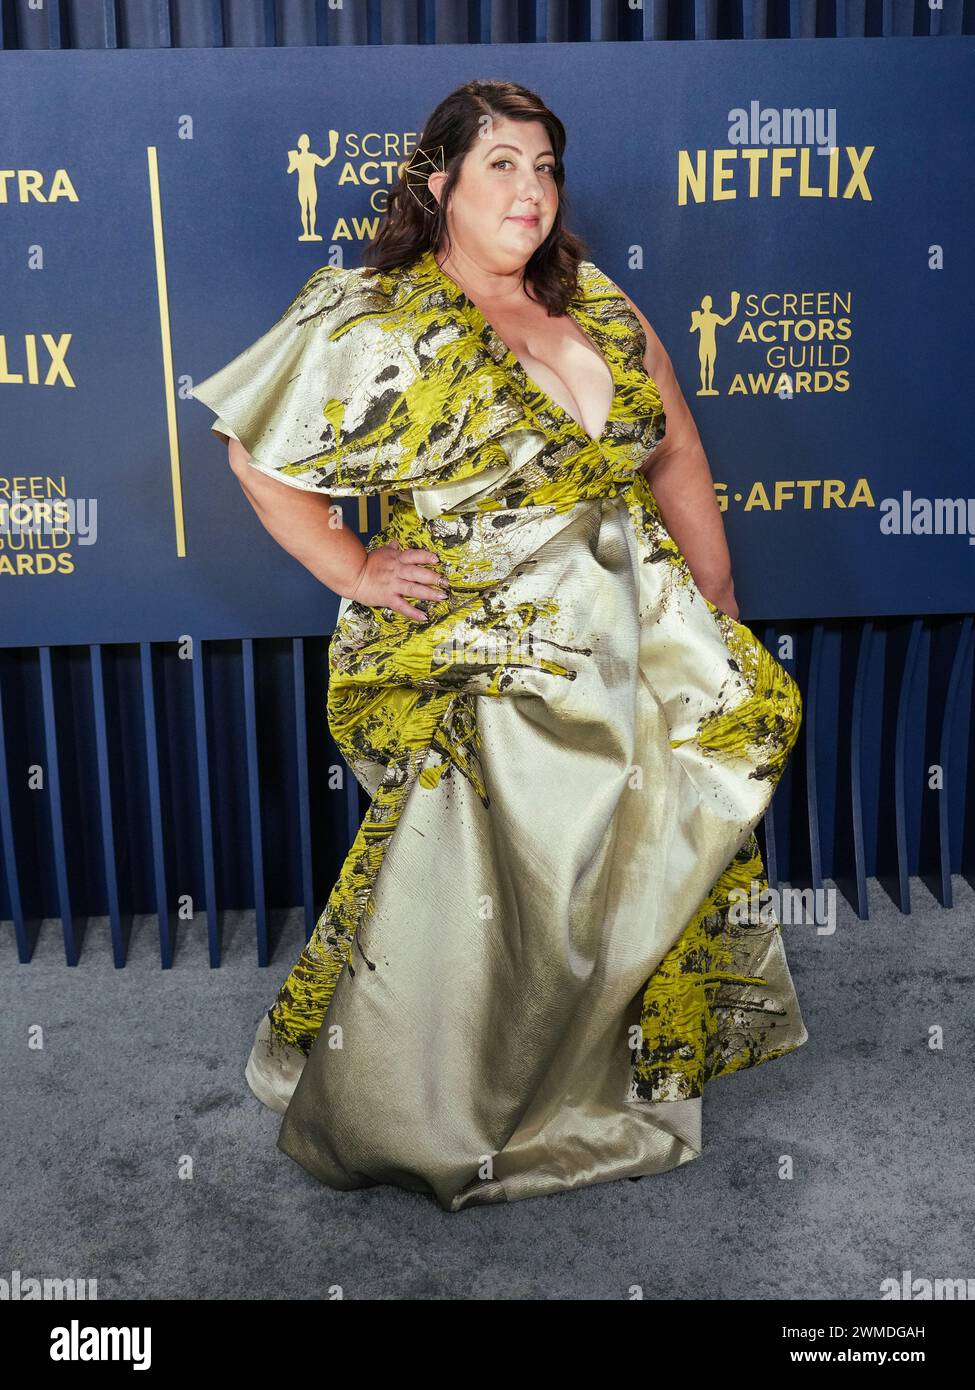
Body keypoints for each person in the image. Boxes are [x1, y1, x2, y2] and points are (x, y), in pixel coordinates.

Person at [191, 79, 808, 1212]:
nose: (530, 190)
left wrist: (716, 598)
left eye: (544, 167)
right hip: (494, 642)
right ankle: (442, 1112)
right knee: (511, 888)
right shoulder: (381, 314)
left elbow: (673, 448)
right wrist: (357, 570)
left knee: (635, 857)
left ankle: (598, 1076)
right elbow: (254, 457)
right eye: (501, 165)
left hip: (640, 627)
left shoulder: (599, 302)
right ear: (440, 186)